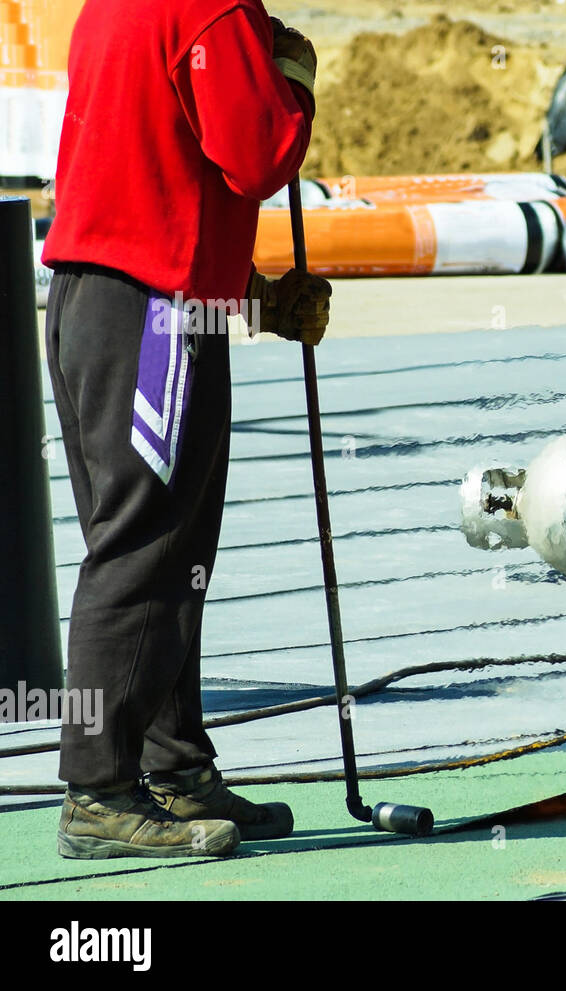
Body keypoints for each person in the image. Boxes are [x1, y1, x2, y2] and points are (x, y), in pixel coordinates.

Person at [42, 0, 332, 858]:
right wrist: (296, 82)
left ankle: (172, 766)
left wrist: (262, 300)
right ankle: (98, 790)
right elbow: (256, 158)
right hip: (155, 318)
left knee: (171, 550)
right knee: (145, 549)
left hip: (111, 302)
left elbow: (160, 178)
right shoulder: (213, 9)